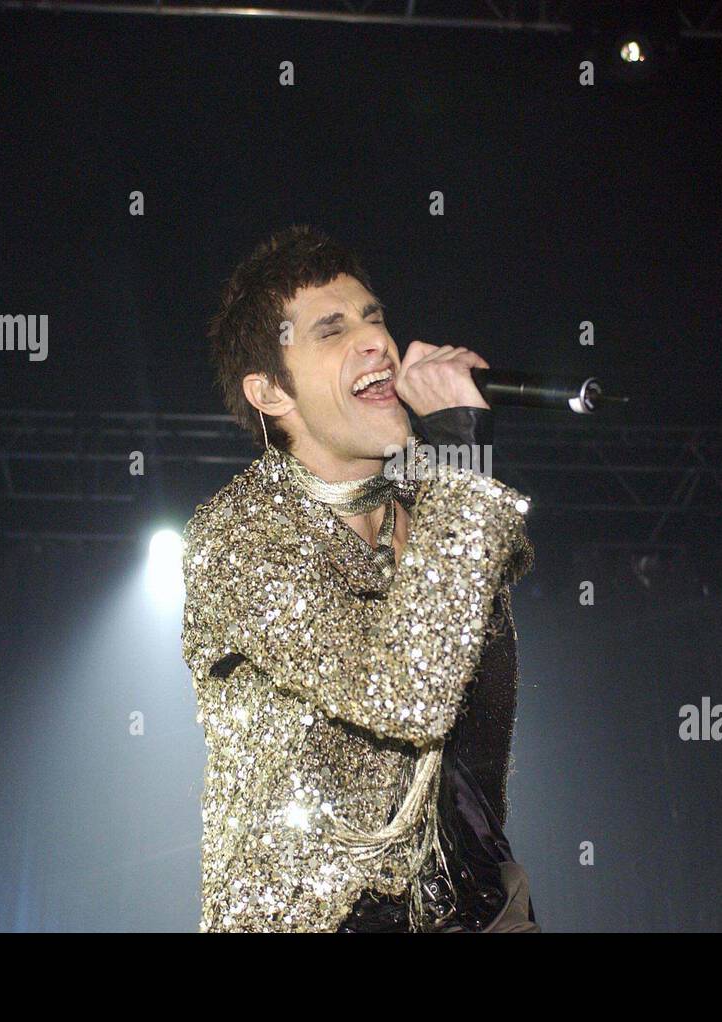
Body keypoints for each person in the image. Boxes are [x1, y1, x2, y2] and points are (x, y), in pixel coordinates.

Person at [182, 225, 540, 932]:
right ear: (271, 391)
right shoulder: (237, 539)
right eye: (332, 330)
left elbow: (476, 759)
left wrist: (449, 471)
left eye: (375, 317)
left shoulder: (433, 510)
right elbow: (402, 692)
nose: (376, 341)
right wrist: (462, 455)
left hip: (477, 909)